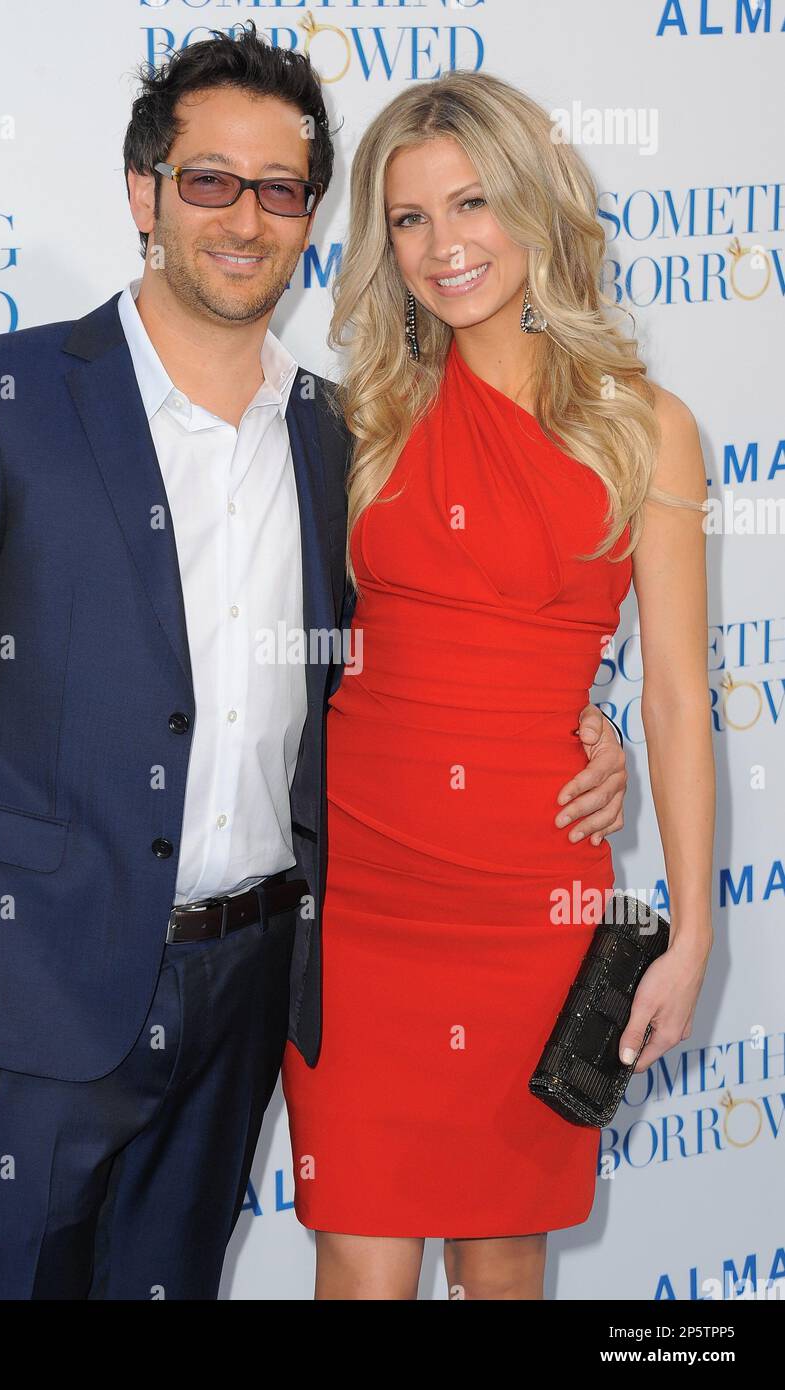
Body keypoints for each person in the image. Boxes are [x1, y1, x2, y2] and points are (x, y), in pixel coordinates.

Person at [0, 27, 627, 1301]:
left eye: (279, 189)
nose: (244, 218)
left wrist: (584, 726)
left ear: (311, 217)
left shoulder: (339, 435)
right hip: (33, 990)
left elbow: (429, 646)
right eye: (209, 180)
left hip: (253, 992)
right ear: (143, 193)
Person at [281, 69, 715, 1301]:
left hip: (532, 902)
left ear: (530, 205)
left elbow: (678, 697)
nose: (440, 245)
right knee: (357, 1264)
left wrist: (690, 930)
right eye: (408, 218)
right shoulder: (354, 414)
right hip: (360, 903)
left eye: (469, 204)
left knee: (502, 1262)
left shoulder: (644, 426)